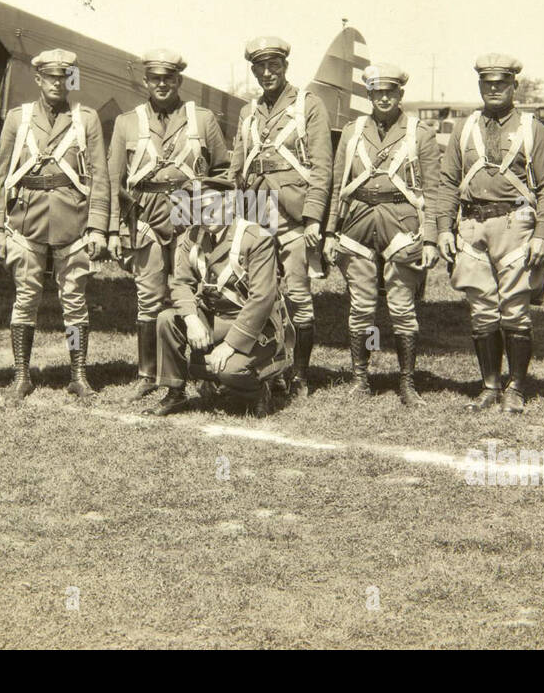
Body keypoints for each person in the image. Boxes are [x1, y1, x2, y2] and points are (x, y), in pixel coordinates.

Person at [436, 53, 544, 413]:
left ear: (514, 86)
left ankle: (516, 387)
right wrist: (444, 228)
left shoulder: (532, 128)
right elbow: (447, 182)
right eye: (488, 84)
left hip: (516, 225)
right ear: (479, 86)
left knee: (516, 310)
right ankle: (490, 385)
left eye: (501, 83)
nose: (494, 89)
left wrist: (543, 235)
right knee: (482, 310)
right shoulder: (465, 127)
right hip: (472, 226)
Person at [107, 48, 230, 401]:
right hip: (145, 219)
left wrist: (214, 217)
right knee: (148, 299)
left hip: (190, 220)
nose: (162, 84)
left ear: (179, 81)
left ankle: (202, 372)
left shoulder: (202, 120)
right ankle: (148, 374)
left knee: (195, 293)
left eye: (169, 78)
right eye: (155, 79)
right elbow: (112, 180)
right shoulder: (126, 122)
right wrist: (114, 229)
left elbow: (223, 171)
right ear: (145, 81)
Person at [323, 62, 441, 405]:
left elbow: (432, 190)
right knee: (362, 307)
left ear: (400, 94)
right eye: (377, 92)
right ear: (369, 94)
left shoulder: (421, 133)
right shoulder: (353, 131)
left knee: (402, 307)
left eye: (390, 92)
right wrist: (330, 231)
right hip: (357, 221)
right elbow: (337, 184)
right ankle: (362, 377)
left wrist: (431, 238)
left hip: (402, 224)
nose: (384, 98)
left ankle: (406, 382)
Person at [0, 49, 109, 398]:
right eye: (51, 77)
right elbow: (1, 175)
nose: (58, 83)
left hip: (72, 223)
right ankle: (21, 374)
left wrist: (98, 226)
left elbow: (100, 176)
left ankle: (78, 373)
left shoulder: (85, 118)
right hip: (26, 221)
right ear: (39, 79)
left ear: (70, 79)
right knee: (25, 299)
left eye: (64, 77)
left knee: (74, 303)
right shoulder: (18, 118)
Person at [227, 36, 332, 398]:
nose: (267, 73)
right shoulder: (247, 113)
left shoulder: (308, 106)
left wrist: (315, 217)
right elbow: (236, 168)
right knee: (257, 295)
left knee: (299, 298)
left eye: (274, 65)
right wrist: (232, 216)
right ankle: (267, 368)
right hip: (255, 216)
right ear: (253, 69)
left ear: (285, 66)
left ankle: (300, 375)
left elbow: (322, 168)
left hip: (294, 216)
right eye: (260, 67)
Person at [144, 176, 293, 417]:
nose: (206, 215)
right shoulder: (192, 238)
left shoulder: (256, 238)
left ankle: (260, 391)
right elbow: (181, 284)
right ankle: (175, 393)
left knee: (229, 370)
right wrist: (192, 319)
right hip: (215, 318)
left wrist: (230, 346)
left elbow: (261, 299)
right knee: (167, 319)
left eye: (211, 206)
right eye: (199, 209)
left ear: (230, 204)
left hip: (254, 326)